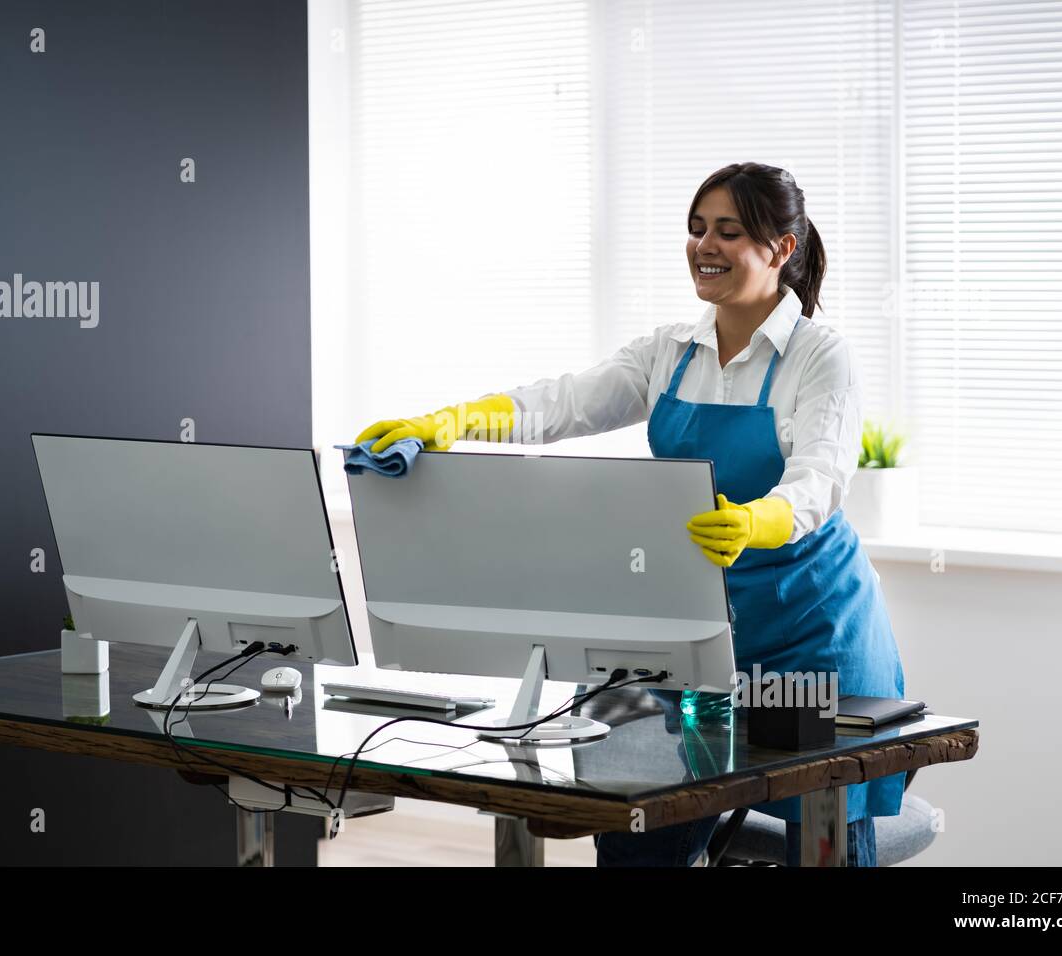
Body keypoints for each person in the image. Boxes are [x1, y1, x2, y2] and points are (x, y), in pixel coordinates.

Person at [353, 162, 906, 867]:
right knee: (639, 823)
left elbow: (820, 477)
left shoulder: (820, 356)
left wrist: (758, 522)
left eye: (728, 232)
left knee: (821, 832)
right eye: (697, 228)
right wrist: (452, 419)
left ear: (782, 249)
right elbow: (561, 403)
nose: (704, 245)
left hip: (808, 632)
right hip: (694, 629)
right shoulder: (669, 352)